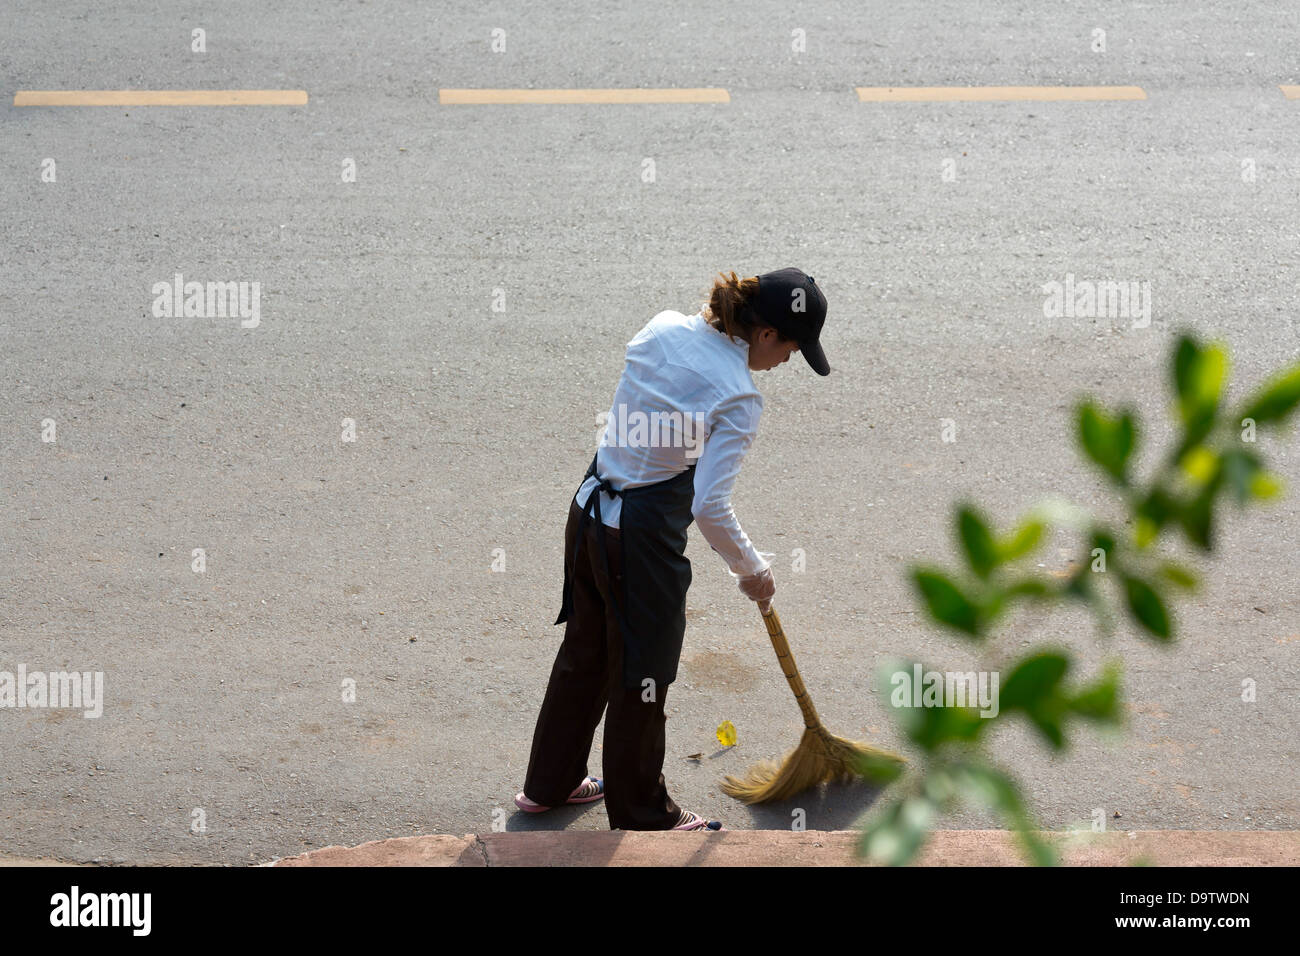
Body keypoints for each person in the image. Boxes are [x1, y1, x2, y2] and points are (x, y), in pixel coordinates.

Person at [515, 267, 830, 831]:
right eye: (790, 349)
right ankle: (642, 815)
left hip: (589, 510)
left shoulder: (661, 328)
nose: (786, 363)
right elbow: (710, 505)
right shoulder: (738, 395)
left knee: (585, 652)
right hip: (638, 541)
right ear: (764, 335)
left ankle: (550, 783)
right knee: (645, 673)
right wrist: (752, 569)